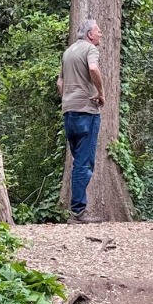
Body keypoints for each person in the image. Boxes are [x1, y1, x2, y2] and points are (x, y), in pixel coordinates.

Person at [58, 18, 105, 224]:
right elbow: (93, 69)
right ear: (89, 35)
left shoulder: (68, 52)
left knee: (79, 160)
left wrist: (68, 98)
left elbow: (60, 82)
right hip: (87, 111)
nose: (100, 34)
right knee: (84, 163)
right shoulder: (90, 49)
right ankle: (78, 211)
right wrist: (101, 92)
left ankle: (76, 208)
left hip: (69, 111)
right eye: (98, 31)